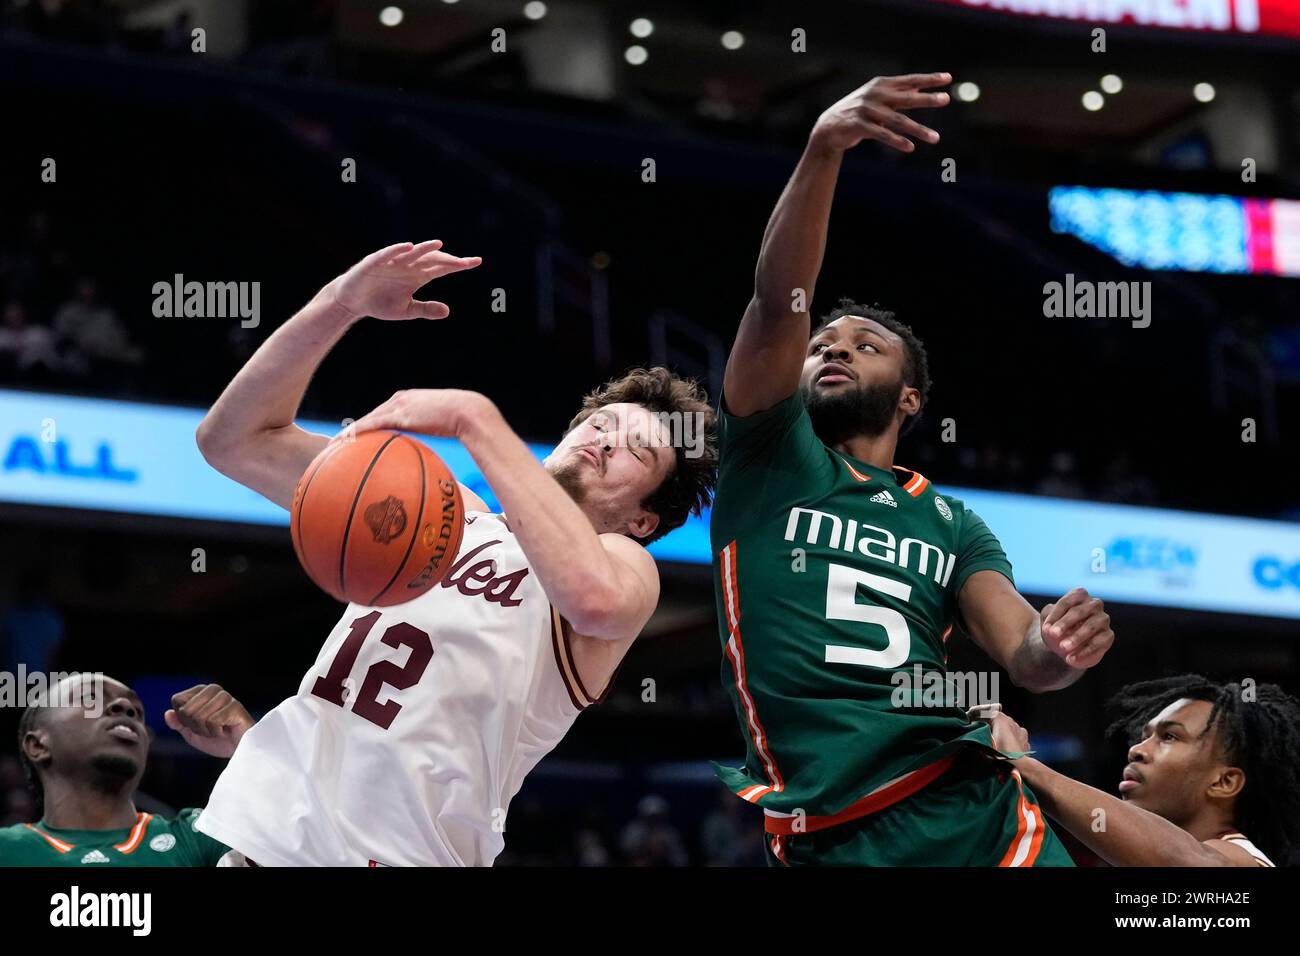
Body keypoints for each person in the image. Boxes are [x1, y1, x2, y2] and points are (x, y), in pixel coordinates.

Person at [192, 240, 718, 866]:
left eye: (638, 449)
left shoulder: (625, 566)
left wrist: (475, 419)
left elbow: (595, 602)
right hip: (262, 844)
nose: (606, 440)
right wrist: (342, 303)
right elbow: (233, 441)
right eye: (603, 422)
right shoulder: (439, 511)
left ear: (643, 518)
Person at [710, 73, 1116, 866]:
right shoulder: (768, 456)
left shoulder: (951, 522)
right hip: (832, 832)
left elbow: (1024, 653)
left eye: (865, 346)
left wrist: (1059, 649)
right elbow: (777, 304)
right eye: (825, 344)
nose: (833, 349)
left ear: (908, 400)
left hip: (975, 801)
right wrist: (824, 146)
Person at [988, 677, 1299, 866]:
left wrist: (1026, 766)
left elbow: (1194, 863)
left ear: (1224, 782)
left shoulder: (1243, 859)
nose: (1136, 750)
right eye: (1143, 736)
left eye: (1169, 737)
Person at [0, 675, 254, 866]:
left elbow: (285, 846)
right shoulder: (7, 850)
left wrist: (251, 746)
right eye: (90, 699)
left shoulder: (202, 837)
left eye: (137, 711)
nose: (125, 706)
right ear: (37, 745)